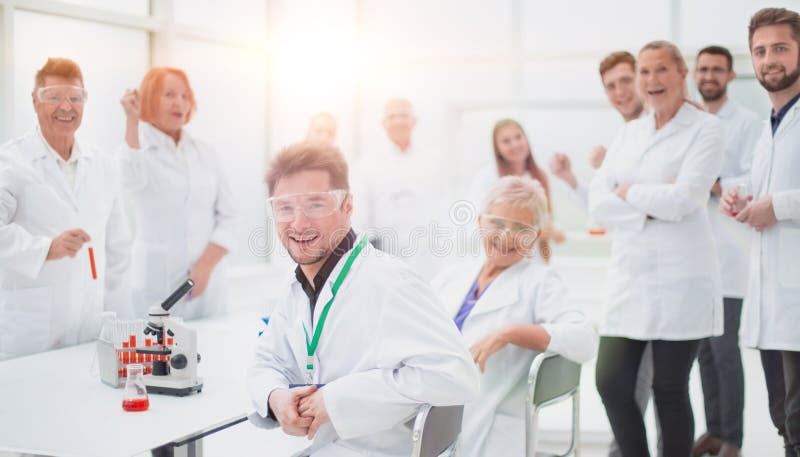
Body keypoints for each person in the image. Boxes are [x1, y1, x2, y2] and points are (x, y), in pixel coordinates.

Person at [247, 142, 479, 456]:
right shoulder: (299, 285)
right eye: (285, 207)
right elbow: (266, 360)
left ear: (347, 206)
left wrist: (337, 400)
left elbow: (456, 376)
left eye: (315, 204)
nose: (299, 224)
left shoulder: (389, 281)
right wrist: (275, 396)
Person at [590, 41, 723, 457]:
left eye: (661, 69)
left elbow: (686, 198)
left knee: (669, 387)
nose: (652, 80)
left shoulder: (706, 129)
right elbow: (597, 202)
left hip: (680, 279)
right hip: (630, 277)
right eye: (644, 72)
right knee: (610, 382)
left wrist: (628, 192)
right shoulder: (629, 133)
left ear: (682, 73)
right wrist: (650, 204)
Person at [432, 176, 597, 457]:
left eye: (521, 228)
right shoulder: (454, 275)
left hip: (486, 431)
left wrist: (510, 333)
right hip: (430, 410)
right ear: (480, 222)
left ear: (535, 236)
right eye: (497, 223)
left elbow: (585, 340)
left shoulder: (540, 282)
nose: (507, 236)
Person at [0, 58, 132, 360]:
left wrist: (121, 325)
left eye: (75, 97)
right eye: (54, 97)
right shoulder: (10, 162)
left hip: (89, 326)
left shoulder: (102, 165)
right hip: (28, 334)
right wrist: (46, 249)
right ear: (35, 101)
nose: (66, 107)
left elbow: (118, 250)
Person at [721, 8, 800, 457]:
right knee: (783, 421)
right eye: (760, 51)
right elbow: (764, 186)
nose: (769, 59)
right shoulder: (769, 125)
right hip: (774, 303)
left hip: (795, 302)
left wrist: (777, 207)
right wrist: (740, 196)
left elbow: (781, 198)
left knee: (799, 424)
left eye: (780, 48)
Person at [119, 67, 236, 320]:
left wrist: (205, 266)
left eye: (185, 96)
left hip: (209, 285)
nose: (179, 103)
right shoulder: (137, 149)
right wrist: (132, 121)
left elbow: (229, 215)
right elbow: (129, 180)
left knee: (214, 341)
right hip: (157, 286)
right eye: (169, 95)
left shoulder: (205, 152)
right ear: (149, 99)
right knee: (157, 343)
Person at [691, 45, 761, 457]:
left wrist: (715, 183)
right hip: (696, 255)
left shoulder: (748, 124)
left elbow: (754, 179)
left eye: (717, 69)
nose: (709, 76)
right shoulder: (691, 124)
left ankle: (733, 439)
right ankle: (714, 430)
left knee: (724, 352)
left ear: (731, 76)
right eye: (703, 69)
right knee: (703, 352)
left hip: (731, 256)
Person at [352, 98, 445, 276]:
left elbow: (441, 208)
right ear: (383, 123)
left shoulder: (433, 163)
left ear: (414, 121)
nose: (399, 121)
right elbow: (361, 218)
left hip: (426, 258)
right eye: (392, 116)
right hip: (384, 256)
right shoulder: (367, 165)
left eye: (404, 115)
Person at [550, 51, 645, 209]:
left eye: (626, 81)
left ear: (641, 80)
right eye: (611, 86)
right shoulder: (621, 136)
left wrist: (608, 166)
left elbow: (646, 205)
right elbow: (603, 206)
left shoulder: (659, 128)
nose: (619, 92)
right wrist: (570, 179)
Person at [469, 119, 564, 262]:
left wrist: (552, 232)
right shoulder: (487, 177)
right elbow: (475, 223)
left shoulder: (540, 177)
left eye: (518, 137)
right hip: (498, 258)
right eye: (506, 141)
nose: (515, 144)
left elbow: (552, 225)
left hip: (533, 260)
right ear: (497, 148)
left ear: (526, 139)